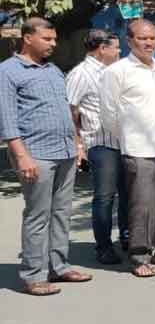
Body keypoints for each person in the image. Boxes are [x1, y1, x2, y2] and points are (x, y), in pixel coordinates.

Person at [0, 17, 90, 295]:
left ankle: (58, 267)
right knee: (38, 215)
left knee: (62, 213)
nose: (53, 44)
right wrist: (21, 156)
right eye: (47, 39)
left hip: (63, 151)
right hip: (35, 153)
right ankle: (33, 275)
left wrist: (77, 144)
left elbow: (66, 111)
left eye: (54, 39)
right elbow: (7, 119)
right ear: (28, 38)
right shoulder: (8, 71)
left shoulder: (53, 70)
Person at [101, 19, 155, 278]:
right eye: (142, 38)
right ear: (129, 41)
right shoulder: (117, 72)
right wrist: (130, 137)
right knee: (143, 205)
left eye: (152, 38)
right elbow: (109, 115)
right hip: (140, 149)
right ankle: (140, 255)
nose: (149, 42)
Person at [66, 29, 128, 265]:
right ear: (102, 48)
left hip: (125, 141)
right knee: (104, 197)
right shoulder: (80, 74)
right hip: (101, 143)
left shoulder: (115, 71)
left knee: (128, 194)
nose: (119, 50)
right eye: (115, 47)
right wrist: (78, 143)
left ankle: (127, 237)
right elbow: (70, 110)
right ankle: (103, 246)